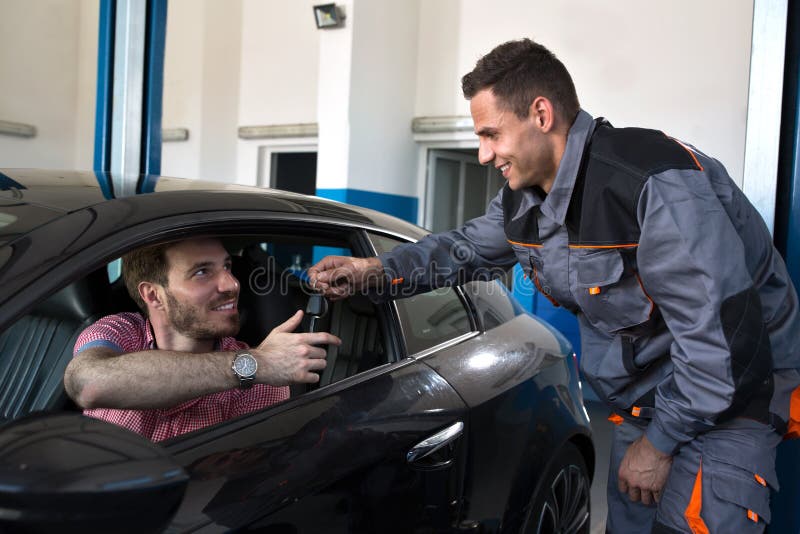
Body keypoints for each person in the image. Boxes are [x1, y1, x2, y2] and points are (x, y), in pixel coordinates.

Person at [308, 39, 800, 533]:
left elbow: (722, 343)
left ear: (541, 115)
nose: (483, 154)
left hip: (726, 406)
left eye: (491, 134)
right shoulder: (524, 199)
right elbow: (464, 249)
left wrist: (659, 444)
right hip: (647, 407)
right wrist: (375, 270)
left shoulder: (652, 185)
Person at [64, 237, 340, 442]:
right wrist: (255, 364)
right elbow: (87, 384)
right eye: (202, 272)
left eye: (227, 266)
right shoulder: (120, 331)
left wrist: (258, 367)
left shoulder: (261, 382)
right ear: (153, 295)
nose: (232, 284)